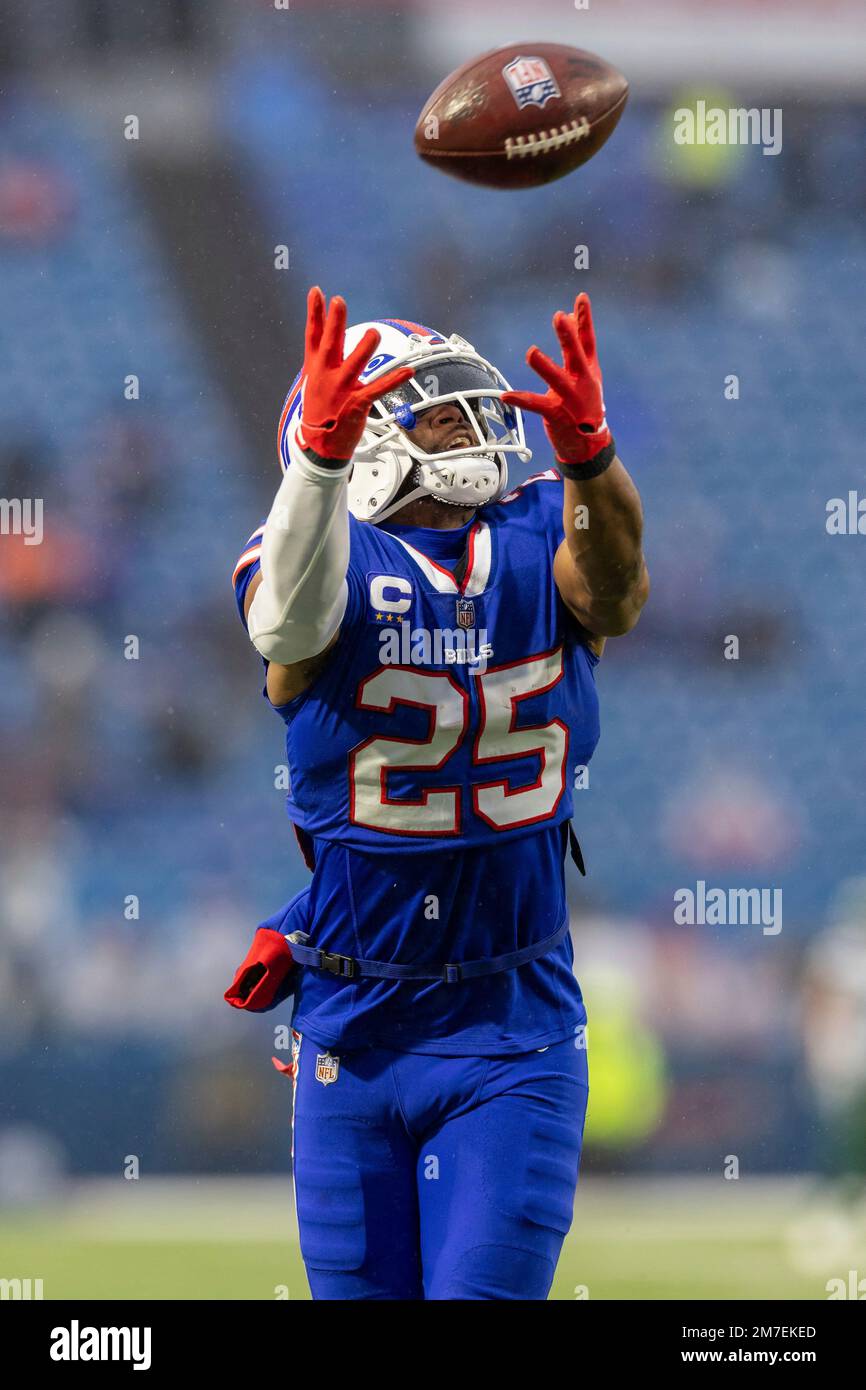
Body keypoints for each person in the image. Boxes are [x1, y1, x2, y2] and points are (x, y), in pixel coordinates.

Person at [225, 286, 649, 1300]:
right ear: (363, 444)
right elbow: (287, 633)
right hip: (354, 1027)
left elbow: (619, 591)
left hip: (510, 1020)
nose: (473, 427)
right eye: (436, 413)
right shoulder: (312, 562)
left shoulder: (541, 529)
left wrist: (591, 454)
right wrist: (319, 468)